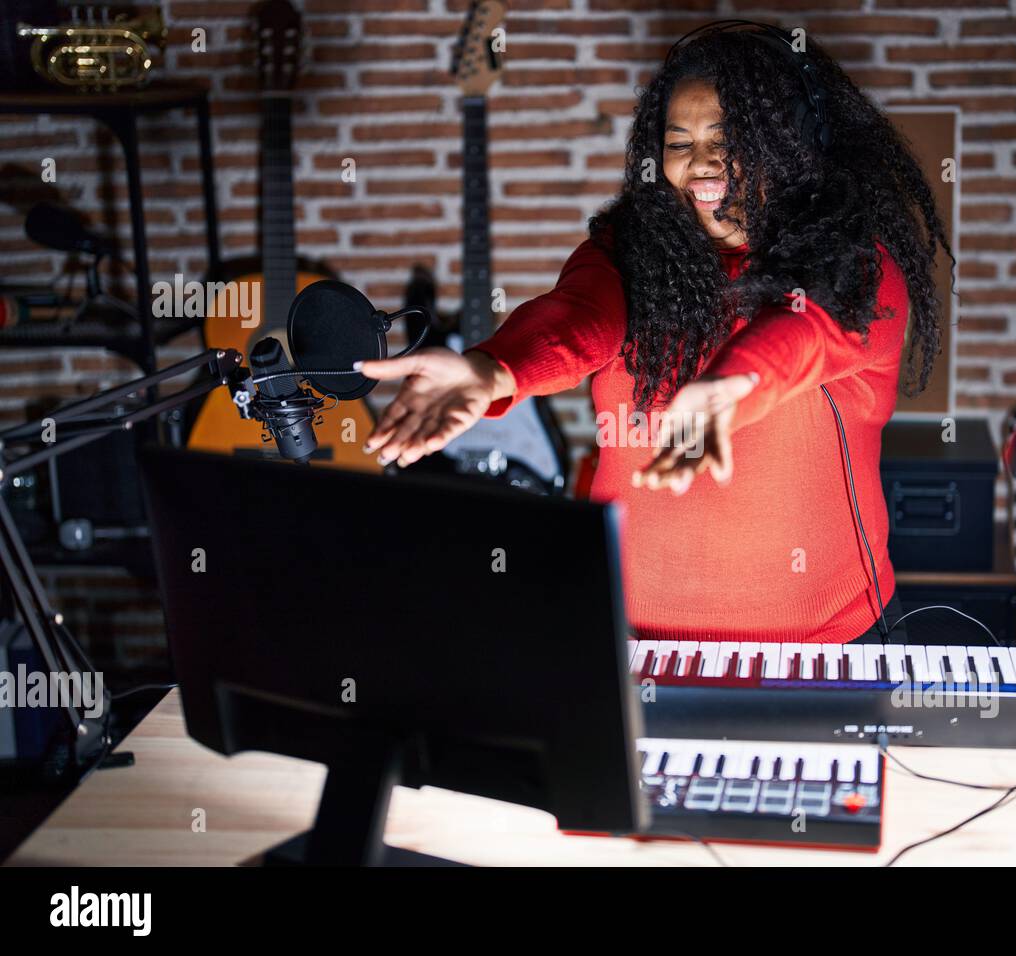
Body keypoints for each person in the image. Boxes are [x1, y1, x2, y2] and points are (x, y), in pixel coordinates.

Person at [359, 25, 952, 645]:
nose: (701, 163)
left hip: (822, 649)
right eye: (680, 142)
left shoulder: (859, 268)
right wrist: (497, 368)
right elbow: (580, 316)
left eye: (729, 140)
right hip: (634, 647)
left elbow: (804, 334)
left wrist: (729, 385)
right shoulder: (624, 251)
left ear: (791, 142)